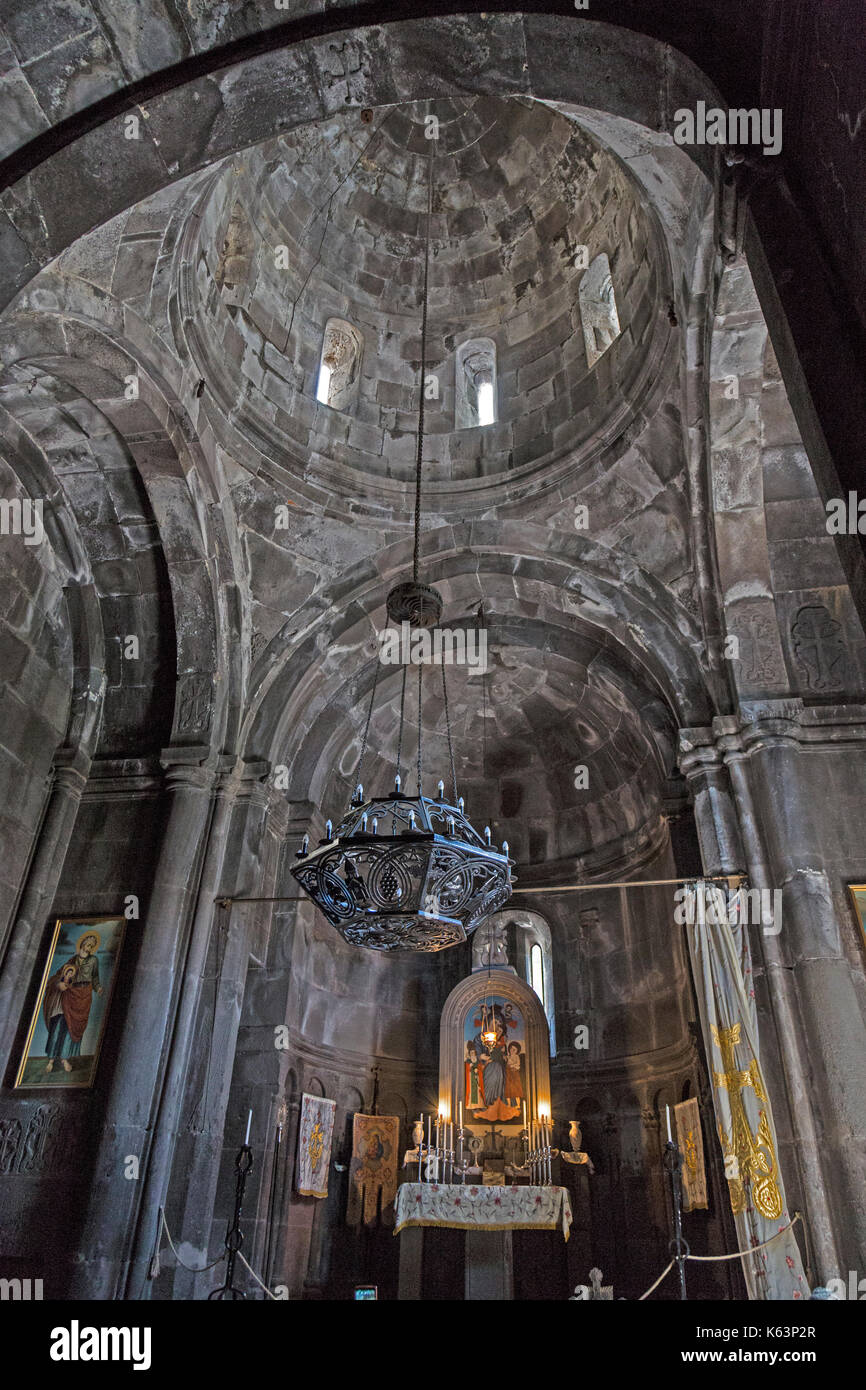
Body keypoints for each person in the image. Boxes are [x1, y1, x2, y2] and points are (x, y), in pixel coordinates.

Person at [505, 1040, 524, 1105]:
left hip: (514, 1074)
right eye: (511, 1049)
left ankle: (518, 1105)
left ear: (517, 1051)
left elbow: (518, 1064)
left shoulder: (516, 1056)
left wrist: (512, 1065)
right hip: (508, 1074)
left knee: (516, 1090)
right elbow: (507, 1064)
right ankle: (509, 1105)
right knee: (508, 1090)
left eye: (514, 1049)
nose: (512, 1050)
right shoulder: (508, 1056)